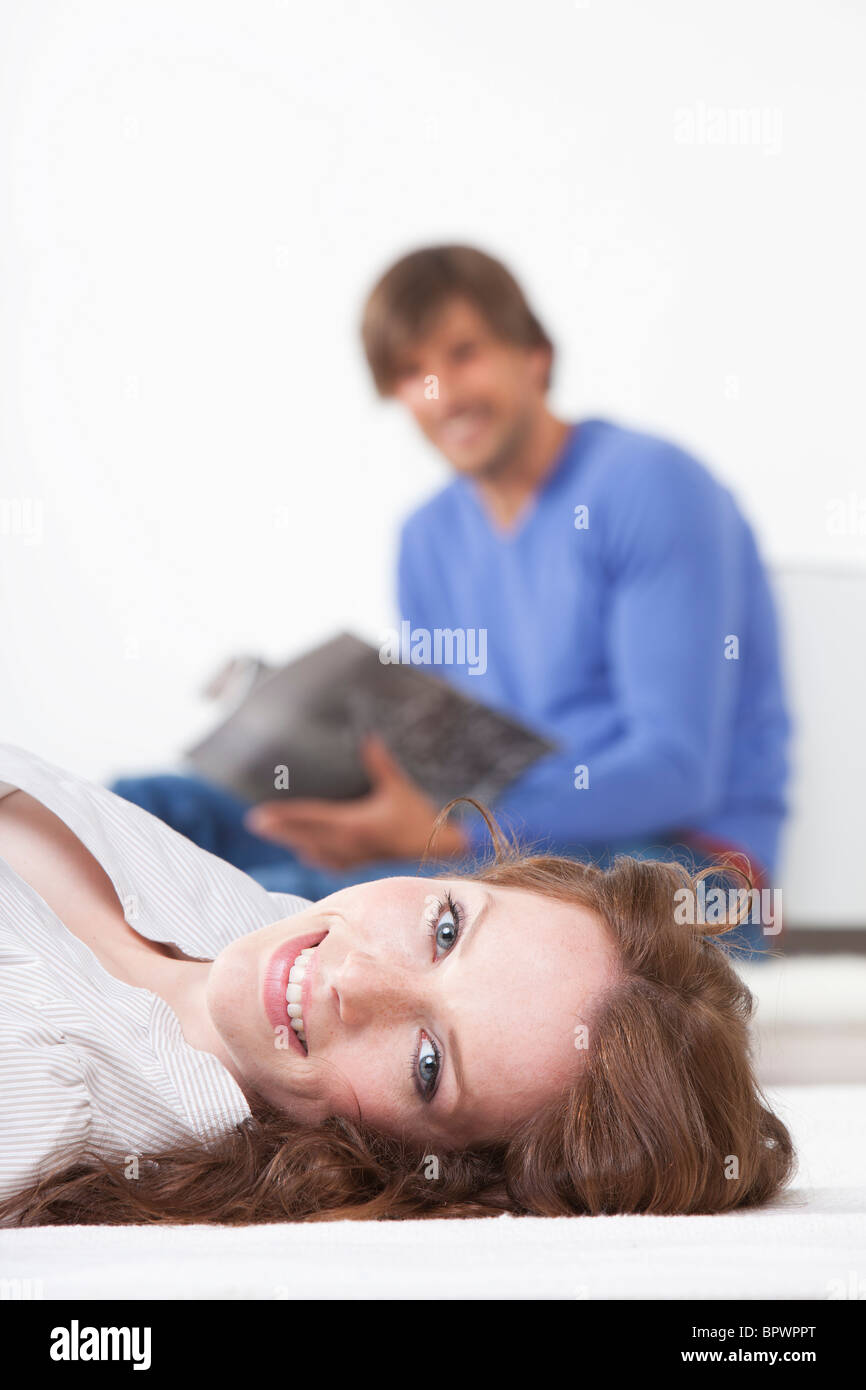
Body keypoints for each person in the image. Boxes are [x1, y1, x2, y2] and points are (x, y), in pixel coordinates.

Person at [111, 245, 791, 956]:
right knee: (154, 809)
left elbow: (675, 773)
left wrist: (457, 832)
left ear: (534, 355)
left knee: (299, 896)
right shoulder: (427, 537)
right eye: (412, 373)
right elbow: (452, 752)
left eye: (464, 354)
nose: (443, 395)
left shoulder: (648, 485)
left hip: (688, 872)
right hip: (482, 833)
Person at [0, 744, 794, 1225]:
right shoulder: (253, 917)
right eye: (446, 929)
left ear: (419, 1168)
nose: (356, 980)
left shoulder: (46, 1089)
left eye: (427, 1065)